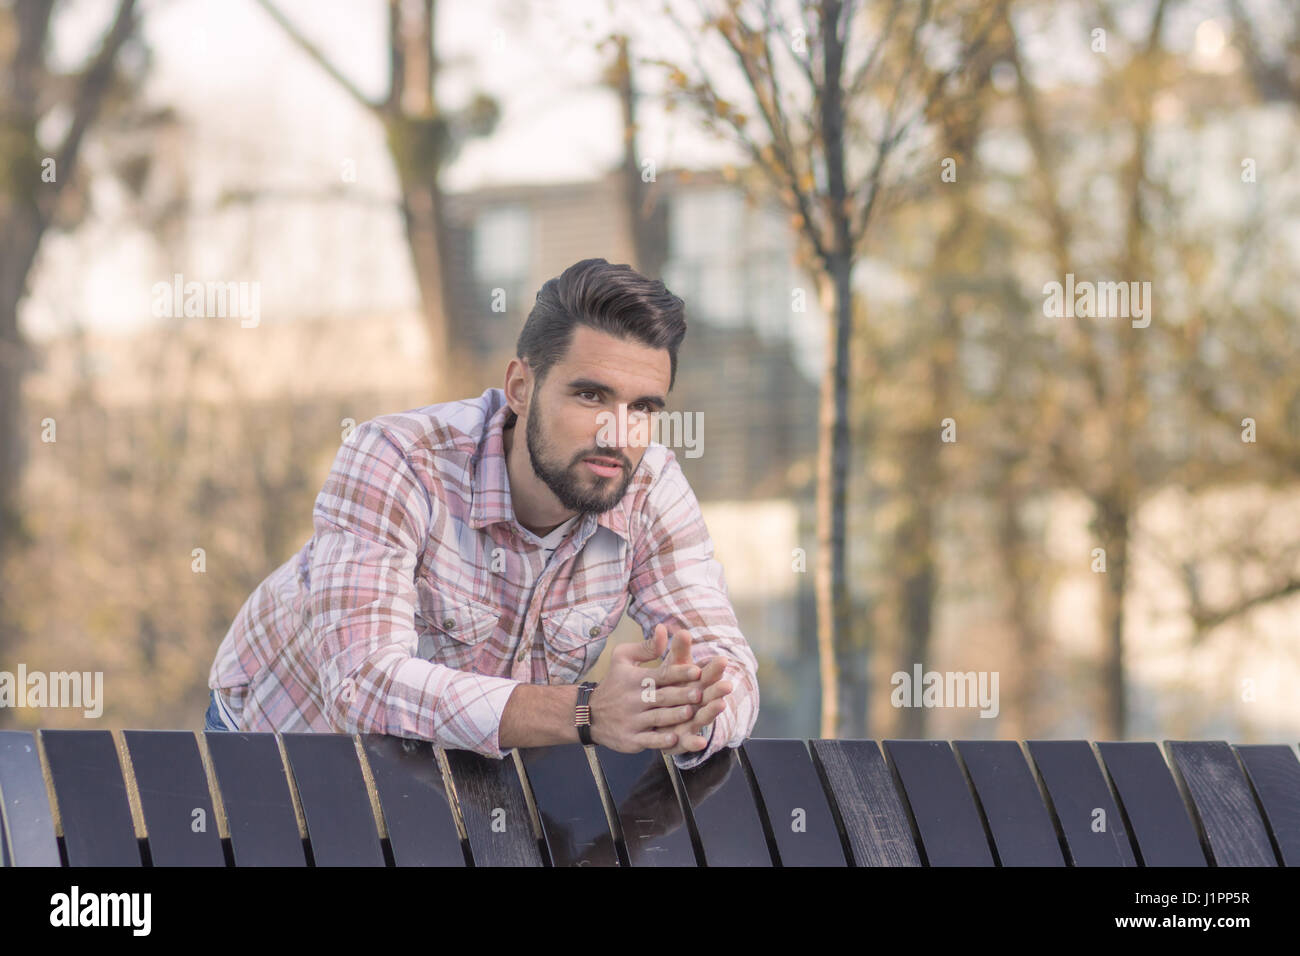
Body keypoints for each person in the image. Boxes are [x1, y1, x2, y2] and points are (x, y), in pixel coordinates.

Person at [205, 257, 759, 769]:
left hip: (460, 774)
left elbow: (729, 669)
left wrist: (688, 709)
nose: (618, 432)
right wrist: (586, 712)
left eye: (641, 407)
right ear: (520, 387)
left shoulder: (650, 486)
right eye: (591, 396)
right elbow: (360, 684)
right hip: (283, 750)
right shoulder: (398, 458)